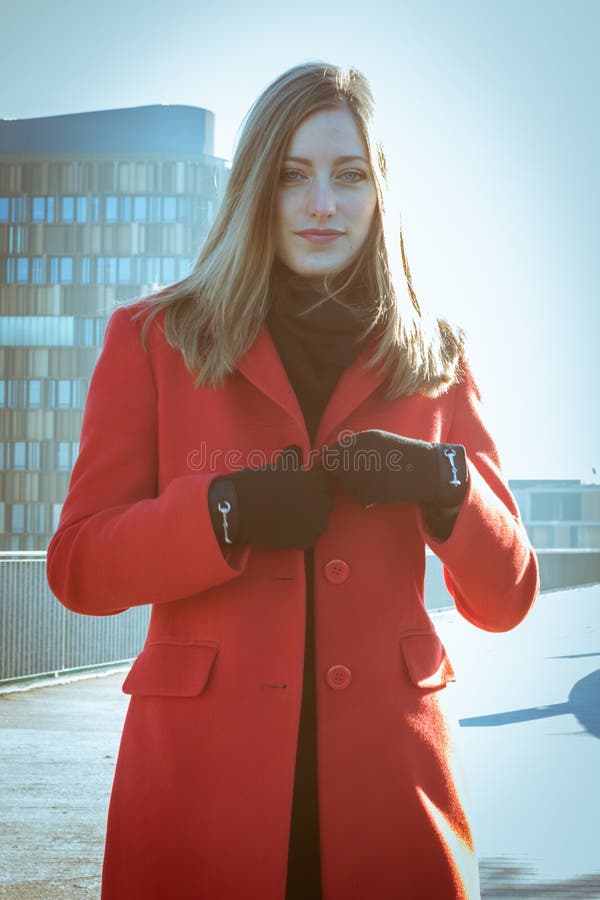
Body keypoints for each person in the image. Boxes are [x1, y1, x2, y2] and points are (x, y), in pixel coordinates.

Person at [46, 61, 539, 900]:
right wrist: (222, 511)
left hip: (392, 793)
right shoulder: (154, 339)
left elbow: (508, 597)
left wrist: (444, 485)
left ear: (379, 192)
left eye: (349, 176)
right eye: (293, 176)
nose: (323, 206)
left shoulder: (437, 356)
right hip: (200, 792)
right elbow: (79, 568)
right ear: (255, 190)